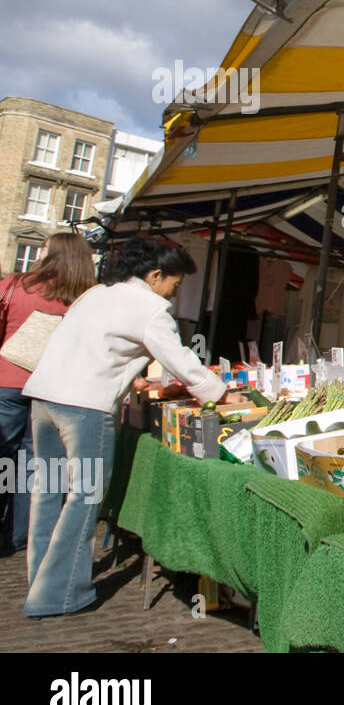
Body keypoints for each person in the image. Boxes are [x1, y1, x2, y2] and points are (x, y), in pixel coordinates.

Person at [21, 236, 229, 617]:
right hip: (86, 407)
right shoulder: (150, 309)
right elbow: (181, 360)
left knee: (48, 492)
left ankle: (41, 581)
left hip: (44, 398)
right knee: (83, 500)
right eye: (175, 284)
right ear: (155, 275)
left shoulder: (98, 292)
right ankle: (58, 595)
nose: (174, 292)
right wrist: (216, 391)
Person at [0, 235, 96, 557]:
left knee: (2, 454)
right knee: (33, 464)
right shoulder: (84, 299)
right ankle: (16, 534)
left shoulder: (17, 285)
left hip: (6, 381)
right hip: (53, 388)